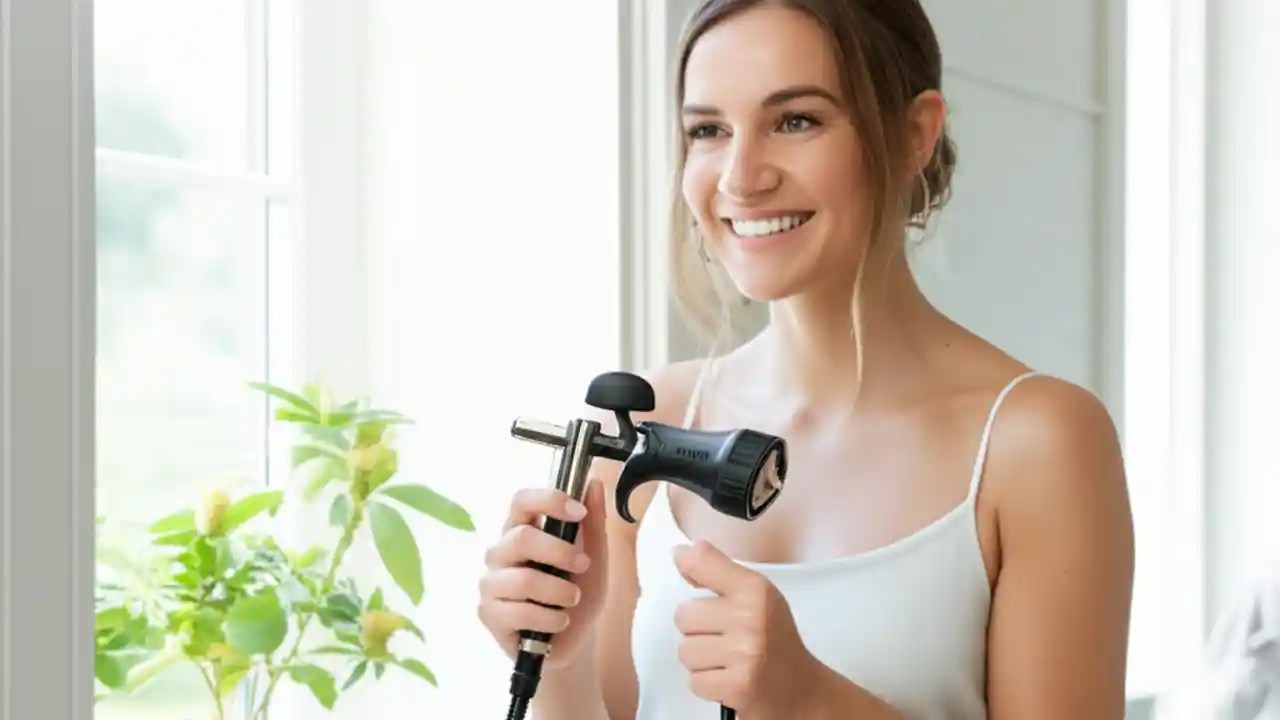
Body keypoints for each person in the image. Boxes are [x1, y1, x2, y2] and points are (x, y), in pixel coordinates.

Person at [477, 1, 1135, 717]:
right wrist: (559, 663)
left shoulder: (1038, 442)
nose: (740, 176)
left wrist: (811, 698)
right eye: (708, 130)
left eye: (796, 121)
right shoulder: (648, 424)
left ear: (915, 132)